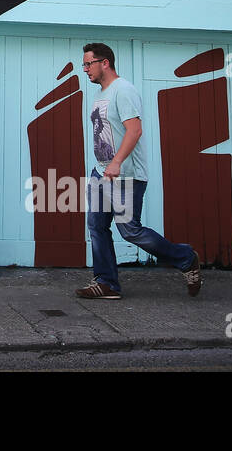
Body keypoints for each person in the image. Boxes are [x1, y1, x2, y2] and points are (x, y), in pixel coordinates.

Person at [76, 42, 201, 300]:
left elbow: (134, 130)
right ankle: (107, 282)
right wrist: (102, 168)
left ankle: (186, 258)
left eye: (89, 63)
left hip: (126, 176)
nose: (85, 69)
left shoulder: (124, 91)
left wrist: (117, 162)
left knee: (130, 230)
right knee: (97, 226)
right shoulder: (101, 93)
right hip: (101, 173)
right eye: (84, 64)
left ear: (104, 63)